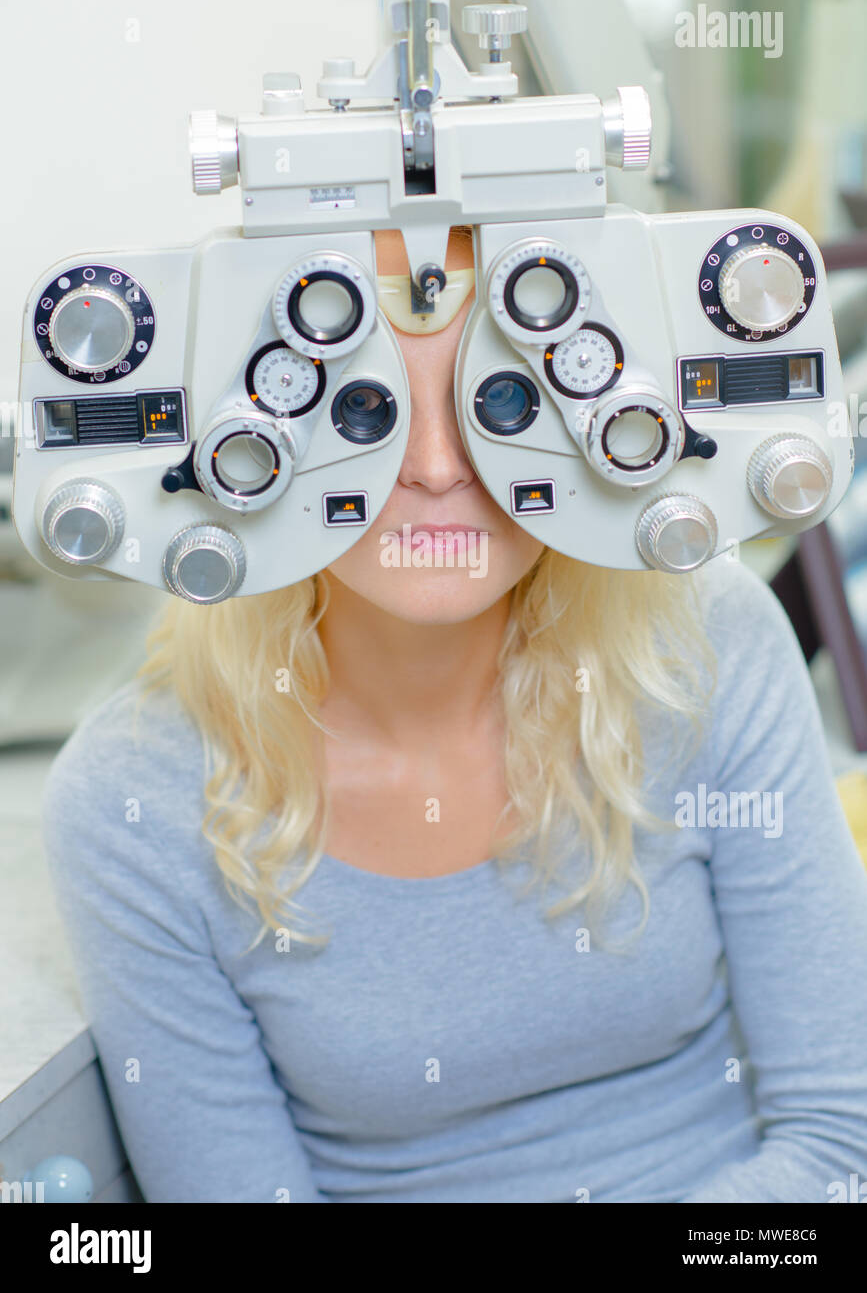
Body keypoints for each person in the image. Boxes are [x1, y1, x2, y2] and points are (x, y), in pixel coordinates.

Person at [42, 225, 867, 1203]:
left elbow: (840, 1139)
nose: (437, 466)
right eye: (365, 409)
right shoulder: (135, 789)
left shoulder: (707, 639)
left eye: (502, 402)